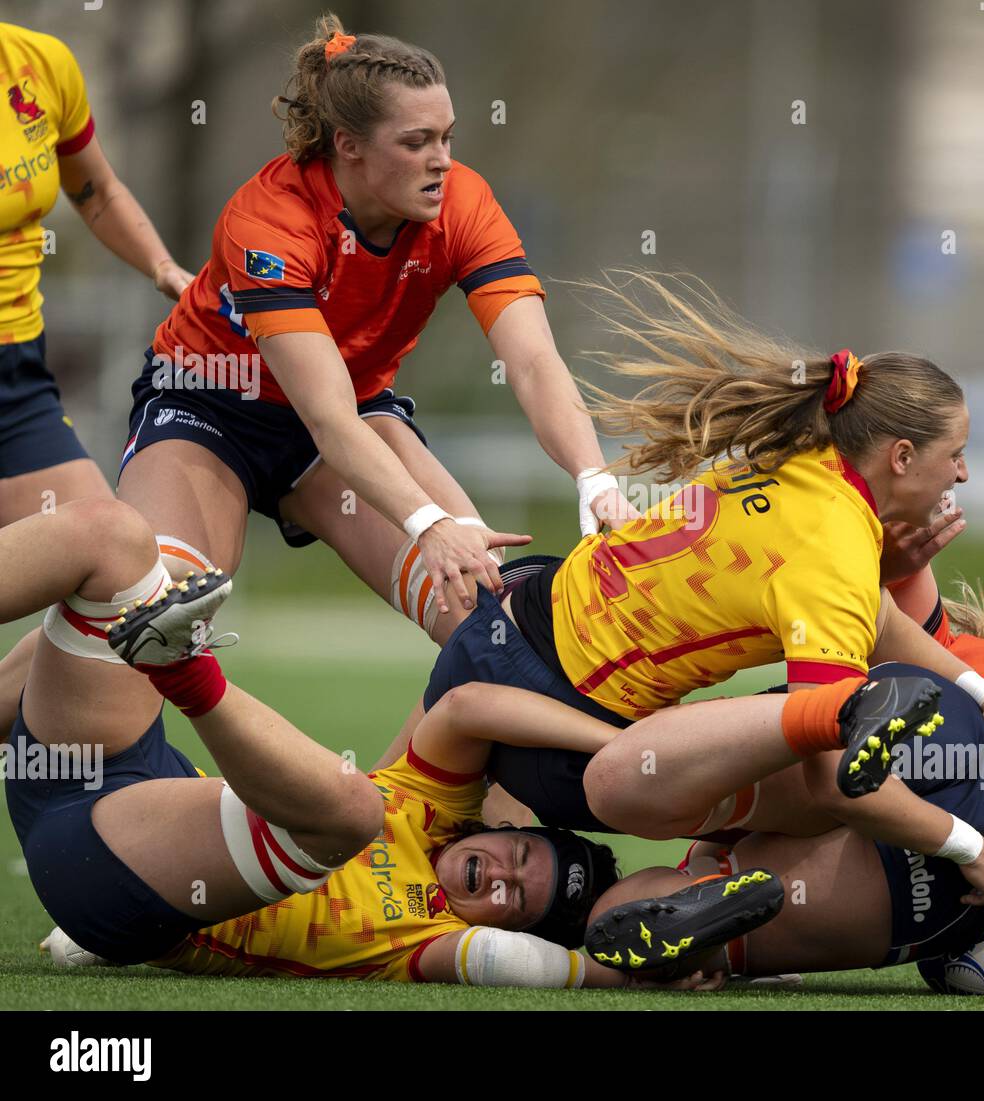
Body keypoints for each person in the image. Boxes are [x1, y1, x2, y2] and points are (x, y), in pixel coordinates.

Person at [415, 271, 984, 830]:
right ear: (901, 457)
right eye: (955, 453)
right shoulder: (836, 553)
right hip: (556, 736)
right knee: (811, 771)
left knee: (408, 827)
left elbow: (870, 616)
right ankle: (731, 895)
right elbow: (835, 786)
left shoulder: (799, 453)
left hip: (506, 617)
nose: (962, 474)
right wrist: (967, 847)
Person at [5, 497, 704, 989]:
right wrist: (620, 739)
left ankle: (185, 668)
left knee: (351, 808)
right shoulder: (437, 808)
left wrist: (611, 969)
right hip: (105, 774)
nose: (499, 876)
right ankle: (165, 658)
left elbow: (506, 962)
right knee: (112, 537)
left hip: (114, 877)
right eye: (520, 857)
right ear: (515, 826)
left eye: (513, 898)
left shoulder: (428, 942)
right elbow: (468, 706)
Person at [114, 12, 636, 646]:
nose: (442, 162)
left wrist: (594, 476)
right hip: (212, 408)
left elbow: (530, 362)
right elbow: (325, 414)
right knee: (159, 615)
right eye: (416, 142)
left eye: (448, 138)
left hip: (355, 413)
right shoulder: (270, 219)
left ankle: (405, 755)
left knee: (492, 624)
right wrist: (427, 524)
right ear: (348, 145)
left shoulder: (463, 203)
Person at [578, 594, 984, 998]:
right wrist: (967, 972)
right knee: (636, 924)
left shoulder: (975, 656)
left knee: (653, 789)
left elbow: (882, 599)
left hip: (933, 711)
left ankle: (713, 809)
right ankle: (718, 920)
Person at [0, 20, 192, 729]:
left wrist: (165, 269)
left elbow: (97, 190)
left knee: (126, 578)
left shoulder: (41, 63)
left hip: (16, 378)